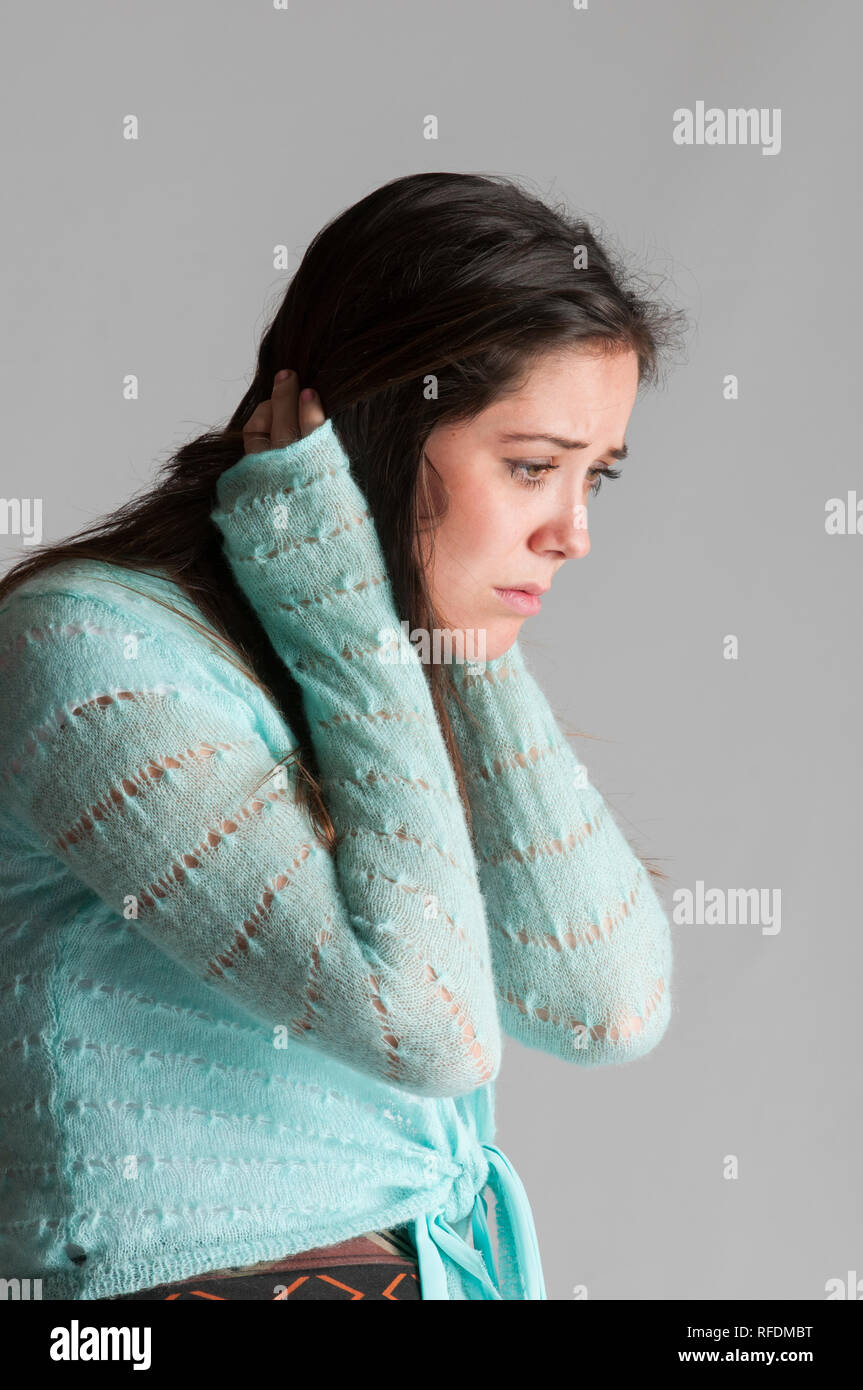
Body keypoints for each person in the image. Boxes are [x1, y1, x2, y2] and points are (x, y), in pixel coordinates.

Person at [0, 171, 683, 1300]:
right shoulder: (89, 651)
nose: (571, 532)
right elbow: (429, 1028)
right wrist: (347, 614)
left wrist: (462, 649)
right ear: (376, 425)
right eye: (528, 468)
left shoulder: (382, 674)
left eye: (592, 477)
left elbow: (603, 1000)